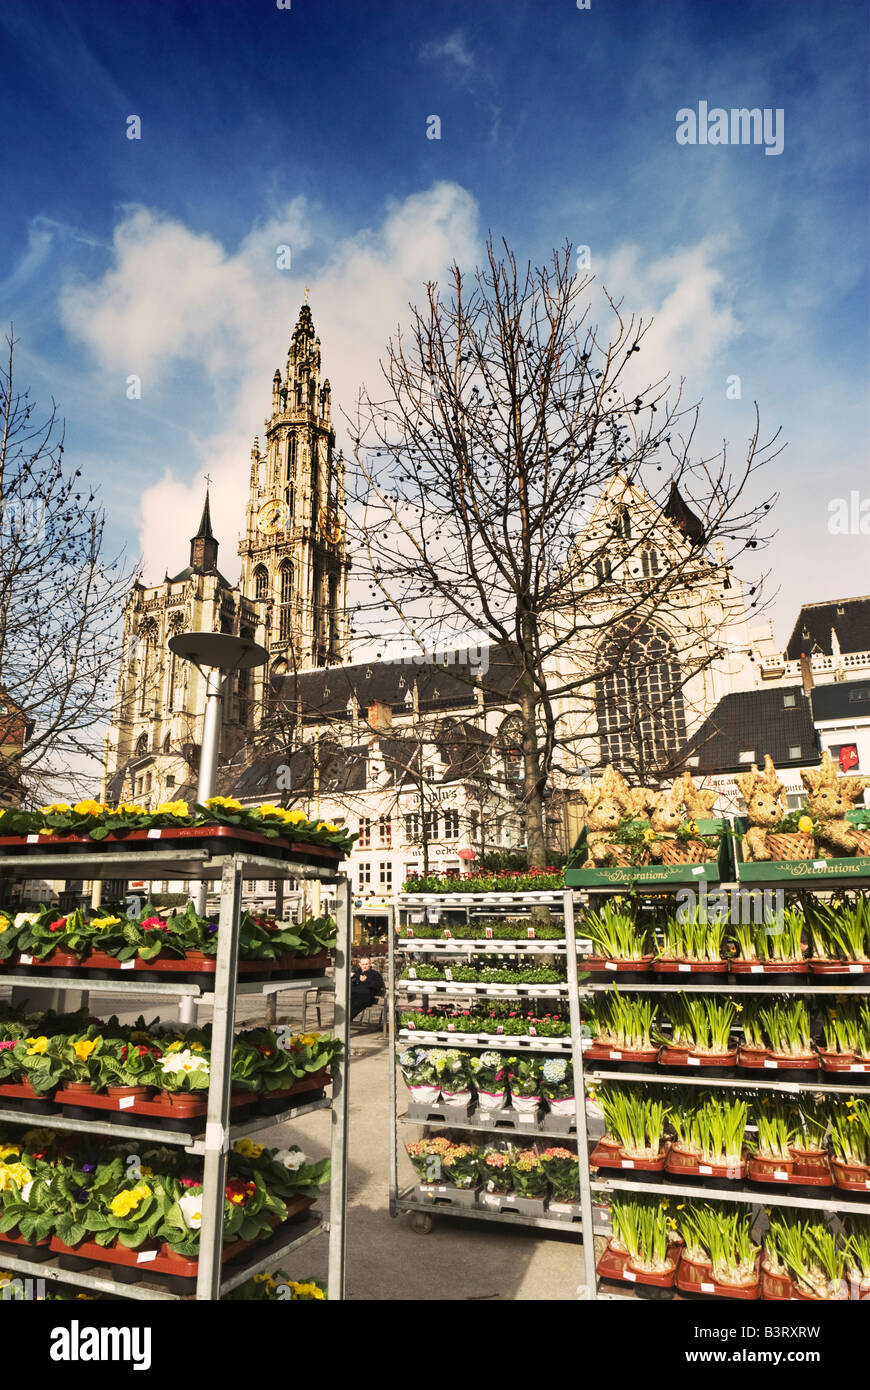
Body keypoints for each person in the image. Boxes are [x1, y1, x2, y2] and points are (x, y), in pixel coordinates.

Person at [350, 956, 385, 1020]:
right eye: (363, 964)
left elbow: (378, 986)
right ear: (360, 964)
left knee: (357, 1004)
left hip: (366, 997)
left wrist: (366, 981)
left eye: (366, 964)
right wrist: (352, 978)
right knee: (347, 1001)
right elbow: (351, 984)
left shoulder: (375, 974)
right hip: (355, 995)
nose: (364, 966)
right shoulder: (357, 973)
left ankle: (346, 1019)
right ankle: (344, 1019)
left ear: (370, 964)